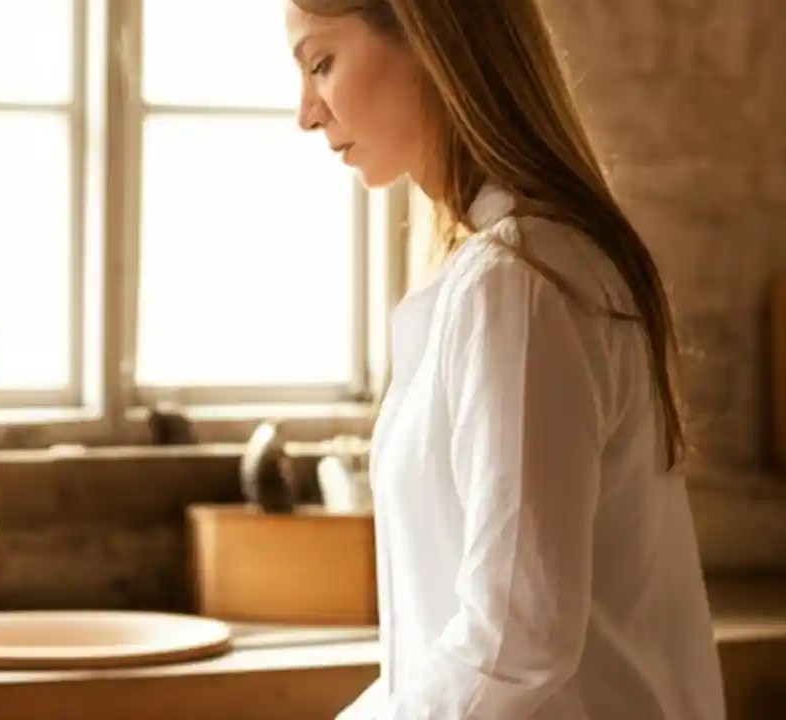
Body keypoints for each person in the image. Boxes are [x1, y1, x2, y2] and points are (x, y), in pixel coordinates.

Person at [284, 2, 725, 718]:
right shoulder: (516, 271)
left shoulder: (520, 282)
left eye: (321, 63)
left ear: (429, 39)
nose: (307, 112)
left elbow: (516, 639)